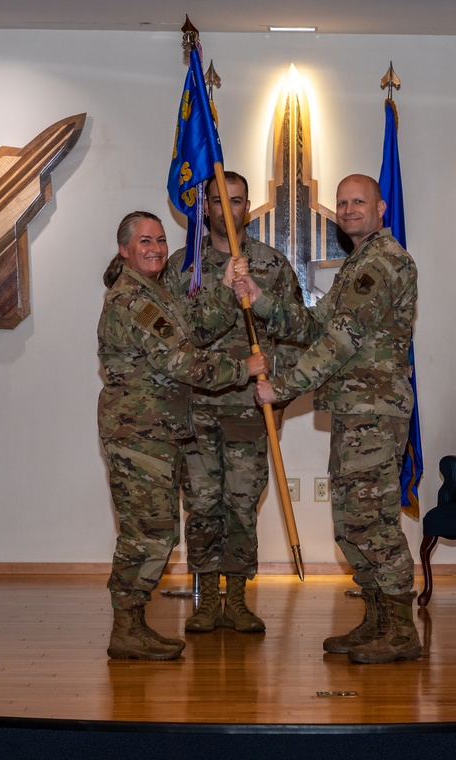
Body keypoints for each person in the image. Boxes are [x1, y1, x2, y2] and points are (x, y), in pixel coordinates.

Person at [241, 174, 420, 664]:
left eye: (358, 201)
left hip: (374, 413)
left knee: (373, 522)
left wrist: (283, 388)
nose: (348, 209)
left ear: (381, 207)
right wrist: (263, 301)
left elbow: (340, 341)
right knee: (352, 521)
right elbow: (316, 324)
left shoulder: (382, 262)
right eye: (342, 203)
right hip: (354, 411)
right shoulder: (355, 265)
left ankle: (401, 631)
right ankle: (377, 621)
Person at [98, 211, 268, 661]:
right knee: (148, 534)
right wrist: (242, 370)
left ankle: (132, 625)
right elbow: (183, 363)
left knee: (155, 530)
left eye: (158, 240)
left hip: (154, 430)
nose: (154, 248)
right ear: (124, 249)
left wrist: (231, 296)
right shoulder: (135, 300)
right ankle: (126, 628)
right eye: (144, 242)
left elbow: (191, 332)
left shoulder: (151, 291)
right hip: (139, 434)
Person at [165, 172, 306, 634]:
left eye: (239, 200)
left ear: (249, 206)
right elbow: (169, 335)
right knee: (203, 504)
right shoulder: (185, 266)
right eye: (219, 200)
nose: (229, 208)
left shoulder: (272, 264)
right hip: (197, 406)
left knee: (242, 504)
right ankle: (206, 598)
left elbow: (292, 334)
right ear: (204, 206)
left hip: (250, 407)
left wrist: (281, 392)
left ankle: (240, 597)